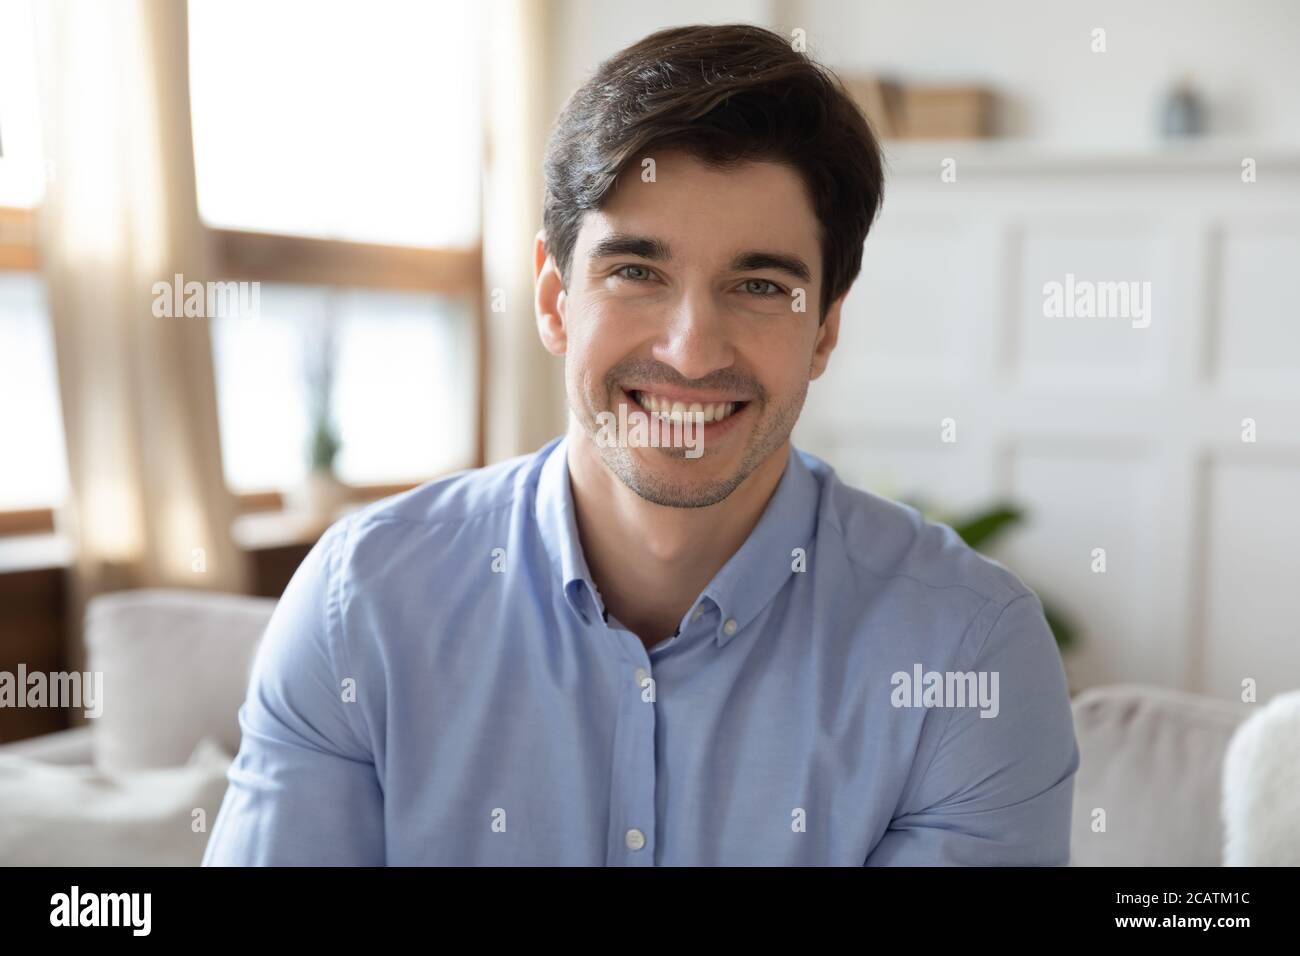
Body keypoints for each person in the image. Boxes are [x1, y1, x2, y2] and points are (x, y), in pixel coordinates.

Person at [203, 23, 1078, 866]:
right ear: (553, 301)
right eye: (636, 272)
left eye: (761, 284)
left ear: (823, 331)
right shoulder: (362, 606)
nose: (691, 350)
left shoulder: (967, 651)